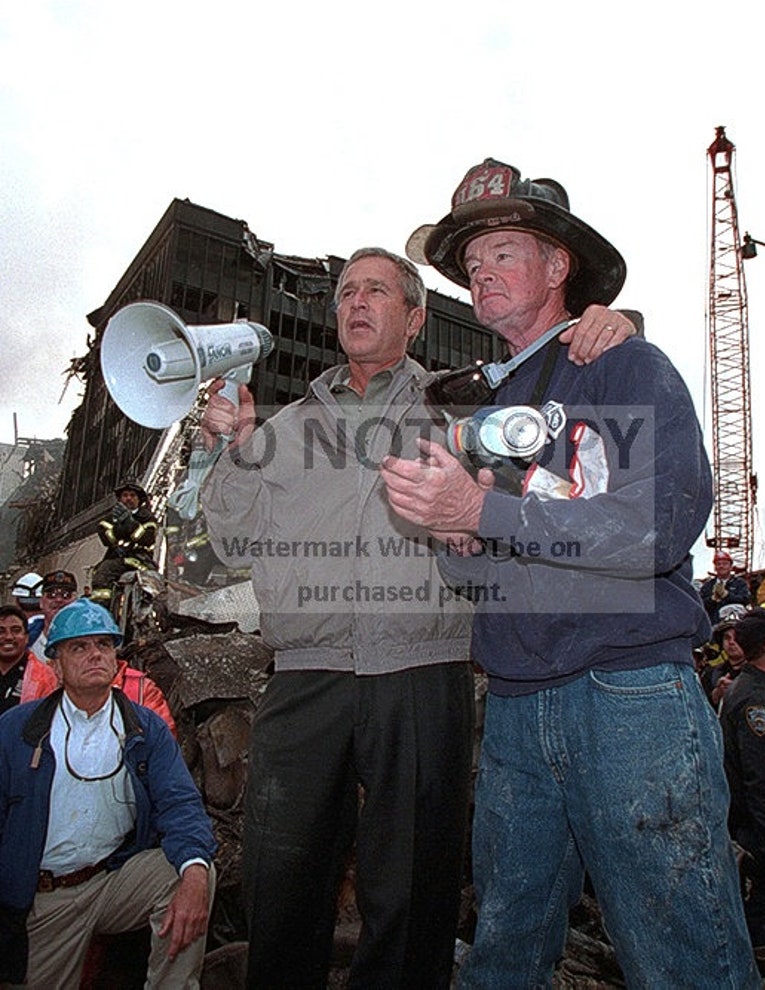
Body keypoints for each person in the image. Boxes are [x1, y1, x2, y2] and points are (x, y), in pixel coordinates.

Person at [199, 243, 635, 989]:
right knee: (281, 881)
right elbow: (231, 537)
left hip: (422, 669)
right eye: (345, 293)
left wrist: (617, 323)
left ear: (416, 316)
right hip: (305, 677)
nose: (357, 303)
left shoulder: (465, 406)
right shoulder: (285, 428)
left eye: (376, 290)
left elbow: (559, 411)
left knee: (411, 890)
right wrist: (233, 451)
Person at [381, 158, 759, 987]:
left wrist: (482, 514)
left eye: (503, 255)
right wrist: (458, 537)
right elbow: (479, 575)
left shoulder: (627, 367)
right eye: (472, 266)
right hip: (515, 701)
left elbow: (655, 532)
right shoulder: (481, 417)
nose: (482, 275)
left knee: (680, 951)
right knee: (504, 949)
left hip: (629, 698)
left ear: (559, 267)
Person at [0, 597, 216, 988]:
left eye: (103, 645)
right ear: (56, 663)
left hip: (113, 879)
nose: (94, 655)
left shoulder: (142, 726)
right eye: (79, 647)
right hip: (46, 896)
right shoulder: (17, 730)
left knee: (190, 872)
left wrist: (196, 872)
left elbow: (180, 801)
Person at [720, 607, 765, 946]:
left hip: (762, 841)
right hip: (763, 850)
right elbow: (763, 786)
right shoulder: (757, 701)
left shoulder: (752, 688)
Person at [91, 479, 159, 606]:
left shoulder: (148, 518)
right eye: (125, 495)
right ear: (119, 499)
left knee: (155, 590)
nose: (128, 498)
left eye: (132, 495)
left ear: (139, 500)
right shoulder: (108, 519)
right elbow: (107, 539)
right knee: (101, 575)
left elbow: (147, 539)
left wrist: (130, 523)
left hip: (141, 561)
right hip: (116, 559)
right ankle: (101, 610)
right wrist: (119, 525)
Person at [0, 605, 57, 716]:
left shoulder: (45, 677)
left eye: (15, 630)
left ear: (26, 637)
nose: (8, 637)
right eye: (1, 631)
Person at [700, 607, 749, 710]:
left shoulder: (758, 673)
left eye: (737, 637)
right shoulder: (710, 673)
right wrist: (715, 695)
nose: (731, 642)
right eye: (727, 637)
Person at [28, 569, 78, 661]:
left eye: (66, 595)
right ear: (41, 602)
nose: (58, 600)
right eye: (52, 595)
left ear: (76, 602)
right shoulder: (27, 639)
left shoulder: (88, 637)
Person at [700, 550, 751, 623]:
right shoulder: (708, 586)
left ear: (731, 567)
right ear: (715, 567)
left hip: (733, 623)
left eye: (725, 564)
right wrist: (712, 599)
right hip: (712, 623)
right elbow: (700, 604)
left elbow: (745, 600)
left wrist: (727, 595)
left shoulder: (739, 583)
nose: (721, 566)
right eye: (718, 564)